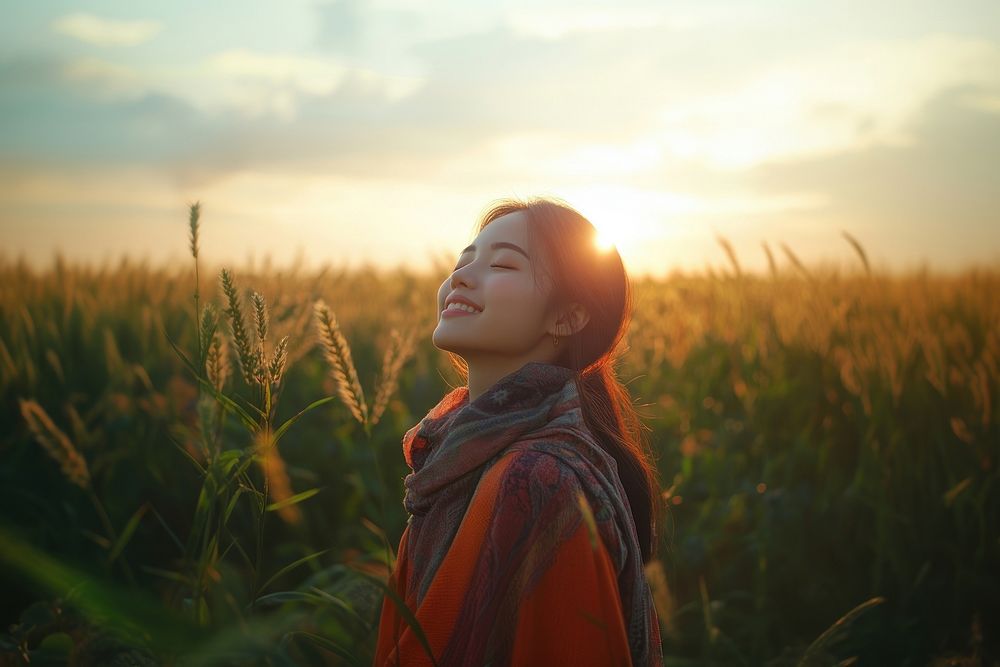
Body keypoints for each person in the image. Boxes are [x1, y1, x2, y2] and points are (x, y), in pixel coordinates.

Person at [373, 196, 664, 666]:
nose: (460, 277)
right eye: (463, 262)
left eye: (503, 265)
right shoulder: (448, 457)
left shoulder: (540, 483)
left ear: (567, 316)